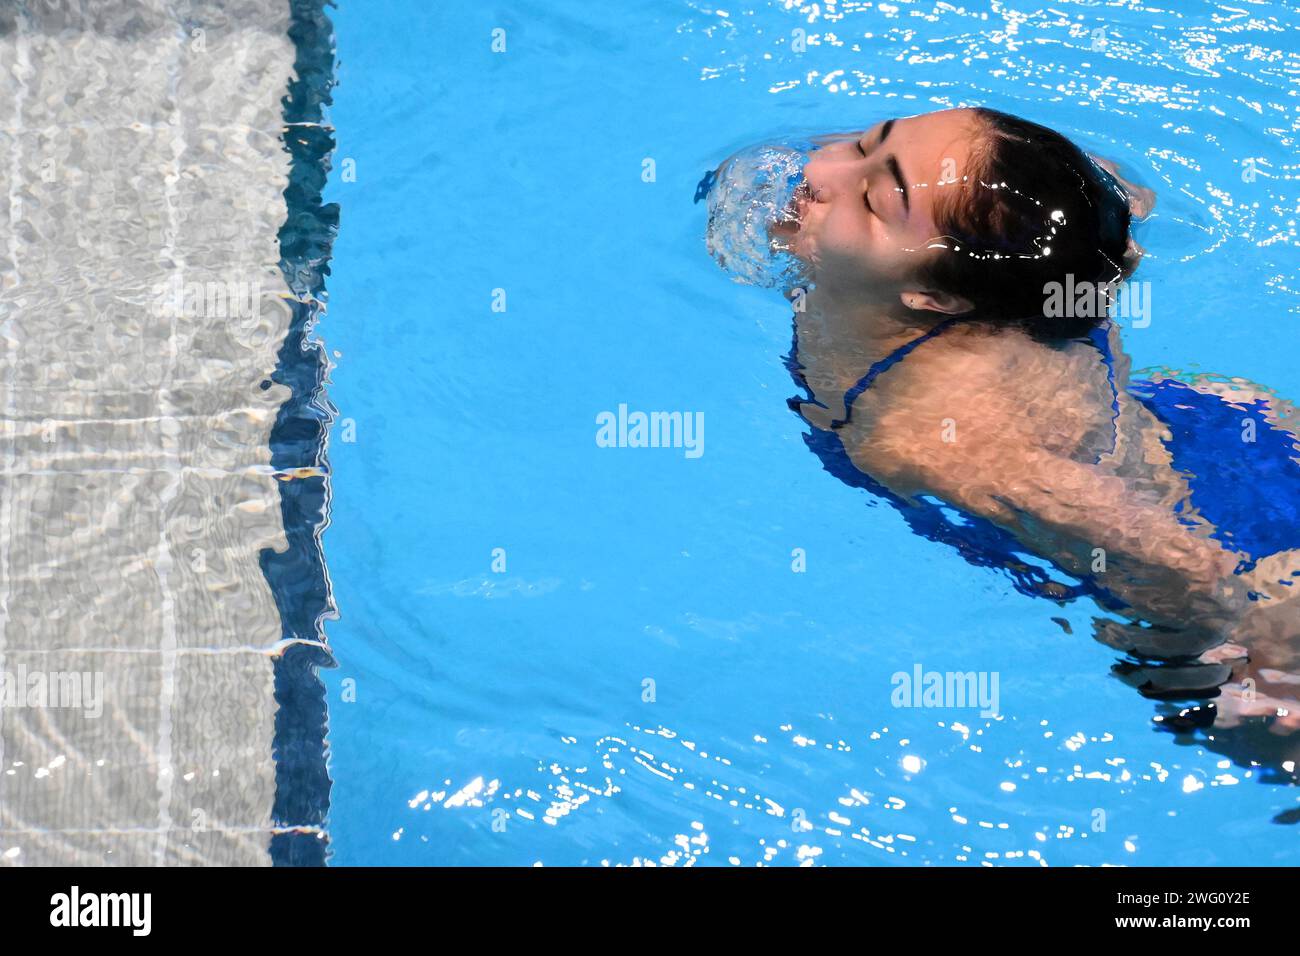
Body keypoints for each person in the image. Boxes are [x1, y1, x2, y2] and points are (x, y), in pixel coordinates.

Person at [774, 107, 1300, 737]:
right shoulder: (1038, 255)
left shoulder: (933, 434)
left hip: (1233, 554)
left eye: (873, 197)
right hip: (1211, 420)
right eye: (866, 140)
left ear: (935, 300)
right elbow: (1111, 206)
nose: (820, 166)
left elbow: (1181, 563)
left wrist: (1250, 649)